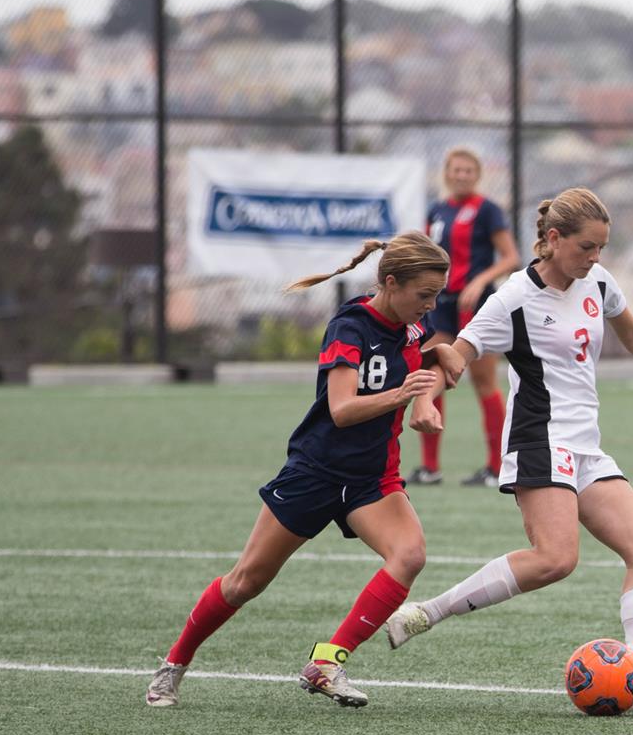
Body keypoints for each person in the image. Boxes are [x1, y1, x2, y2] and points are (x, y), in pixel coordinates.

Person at [384, 187, 633, 713]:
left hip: (585, 446)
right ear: (553, 240)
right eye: (587, 247)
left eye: (602, 248)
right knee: (556, 559)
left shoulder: (597, 281)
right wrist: (424, 401)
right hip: (539, 440)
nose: (596, 259)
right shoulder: (513, 298)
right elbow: (456, 356)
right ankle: (427, 612)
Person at [145, 232, 450, 710]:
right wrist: (407, 395)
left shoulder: (411, 327)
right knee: (246, 581)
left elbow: (427, 356)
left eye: (437, 296)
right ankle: (174, 664)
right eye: (424, 295)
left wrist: (432, 385)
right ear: (391, 283)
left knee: (409, 554)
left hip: (372, 479)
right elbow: (343, 409)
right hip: (316, 472)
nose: (431, 307)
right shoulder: (350, 327)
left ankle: (327, 661)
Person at [409, 147, 520, 488]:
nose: (461, 175)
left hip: (477, 307)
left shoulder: (487, 210)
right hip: (442, 308)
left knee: (484, 382)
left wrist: (481, 280)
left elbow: (511, 257)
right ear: (446, 173)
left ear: (477, 175)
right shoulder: (437, 211)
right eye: (456, 170)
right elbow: (430, 256)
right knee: (428, 374)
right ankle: (430, 468)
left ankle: (496, 467)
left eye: (468, 171)